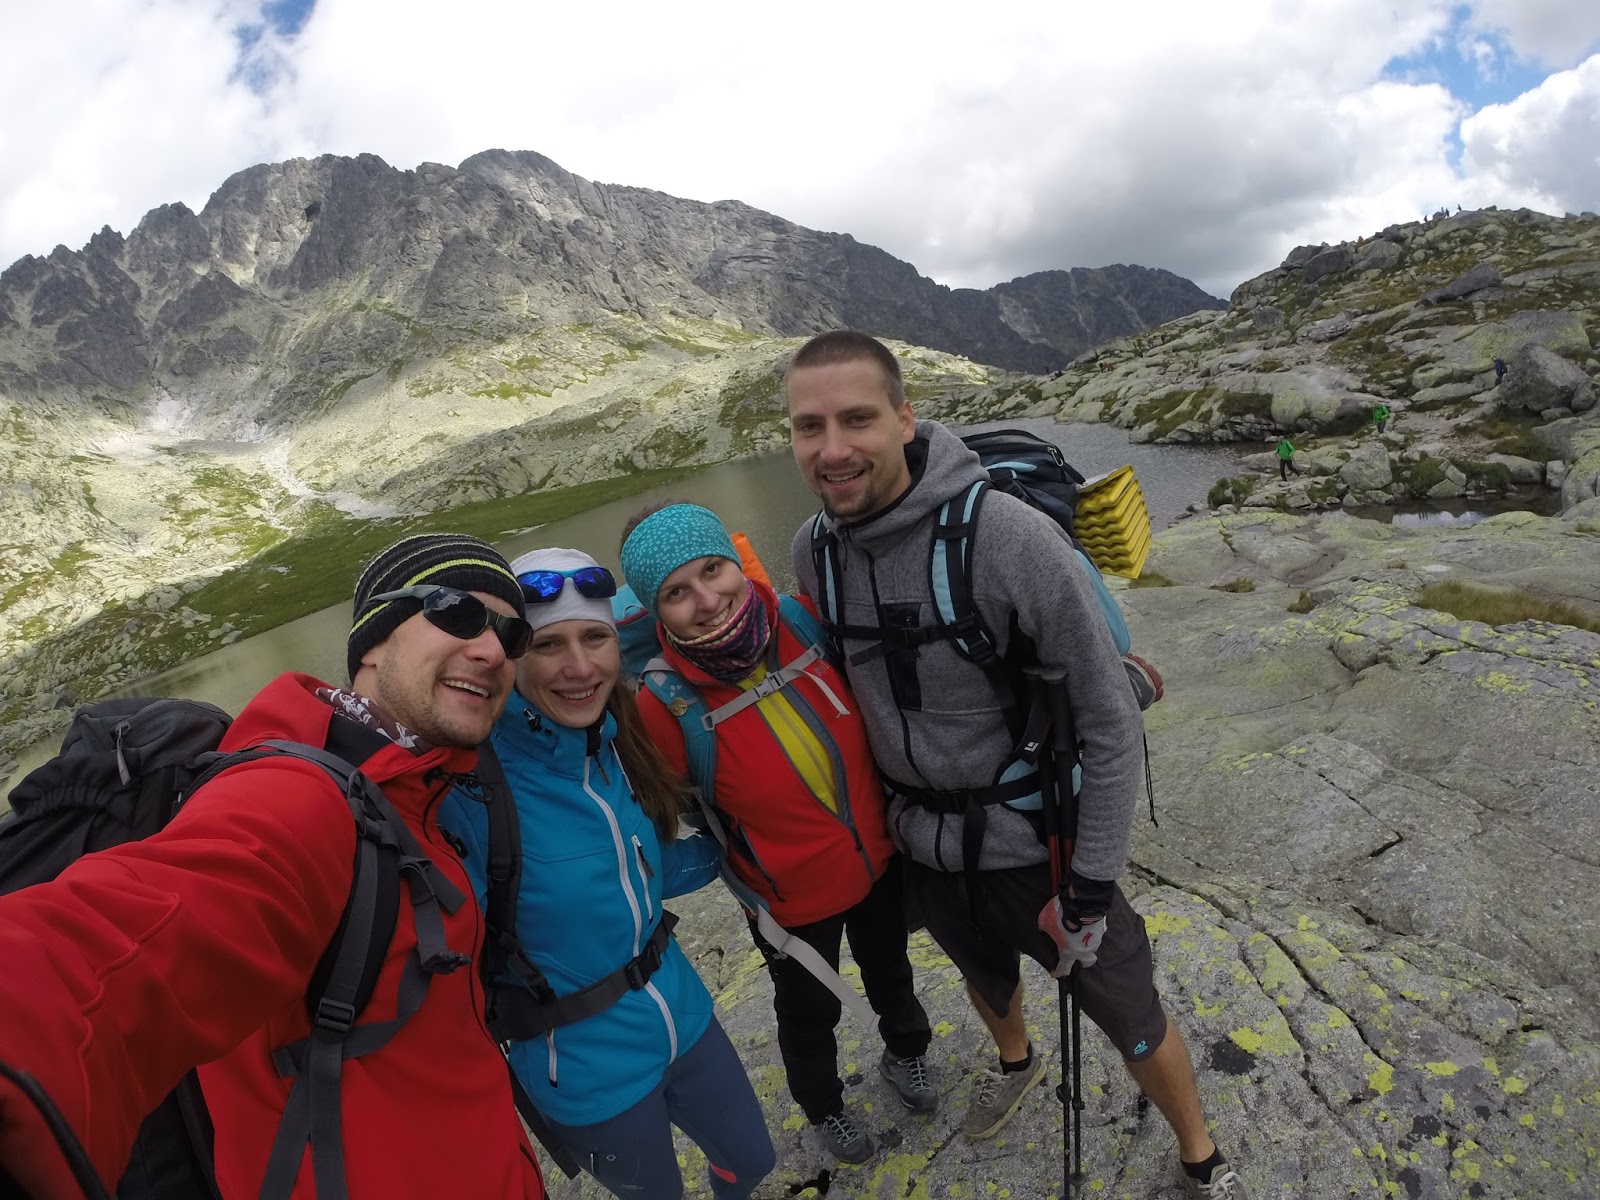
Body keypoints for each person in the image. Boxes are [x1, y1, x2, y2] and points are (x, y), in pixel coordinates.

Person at [783, 330, 1249, 1200]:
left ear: (905, 418)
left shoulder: (1007, 537)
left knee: (1128, 1013)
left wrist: (1089, 890)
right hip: (926, 847)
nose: (833, 448)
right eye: (810, 427)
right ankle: (1016, 1059)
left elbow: (1109, 723)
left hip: (1041, 843)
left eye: (857, 419)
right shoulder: (815, 550)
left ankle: (1200, 1152)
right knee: (982, 973)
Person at [0, 533, 547, 1200]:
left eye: (511, 635)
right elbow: (131, 939)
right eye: (456, 613)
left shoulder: (417, 789)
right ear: (373, 643)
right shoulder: (300, 797)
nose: (492, 650)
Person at [437, 548, 775, 1200]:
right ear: (509, 658)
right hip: (580, 1069)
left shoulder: (609, 740)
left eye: (595, 637)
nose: (580, 667)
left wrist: (740, 853)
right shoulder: (470, 788)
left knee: (752, 1160)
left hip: (681, 1012)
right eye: (547, 645)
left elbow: (637, 867)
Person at [619, 501, 934, 1165]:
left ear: (736, 562)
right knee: (808, 1010)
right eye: (677, 592)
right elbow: (657, 818)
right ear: (657, 611)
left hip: (878, 860)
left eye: (713, 569)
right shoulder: (663, 703)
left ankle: (907, 1052)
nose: (708, 600)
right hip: (786, 901)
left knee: (891, 969)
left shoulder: (802, 622)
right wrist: (741, 865)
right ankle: (824, 1107)